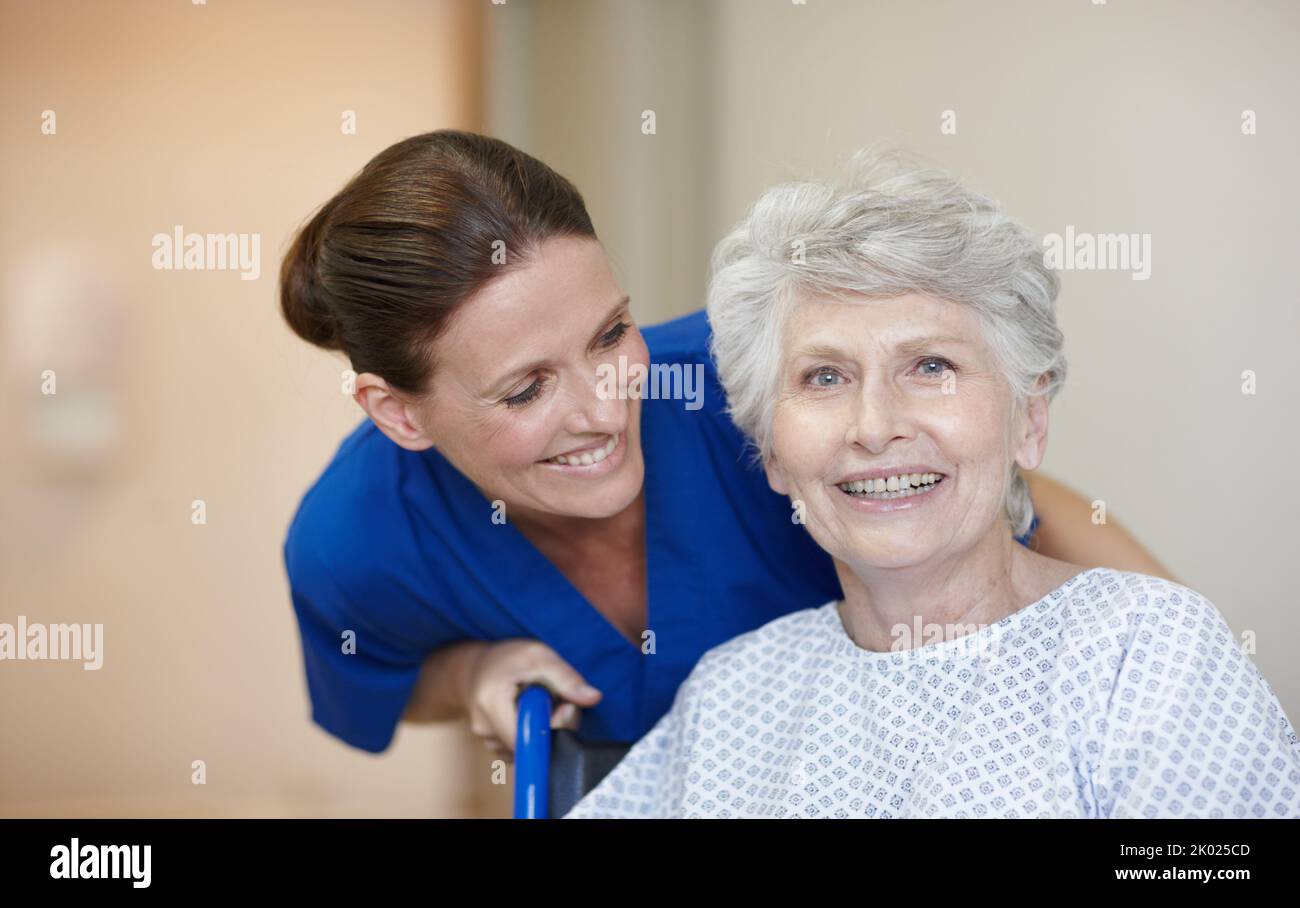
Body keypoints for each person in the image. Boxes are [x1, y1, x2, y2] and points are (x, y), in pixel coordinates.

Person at [279, 130, 1173, 758]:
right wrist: (475, 668)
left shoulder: (733, 385)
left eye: (607, 333)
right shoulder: (355, 541)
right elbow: (388, 685)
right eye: (526, 388)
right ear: (397, 413)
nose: (603, 407)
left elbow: (1003, 495)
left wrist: (1174, 652)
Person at [564, 148, 1300, 817]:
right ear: (774, 455)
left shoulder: (1145, 652)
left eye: (932, 367)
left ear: (1028, 421)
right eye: (824, 376)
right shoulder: (732, 695)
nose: (875, 425)